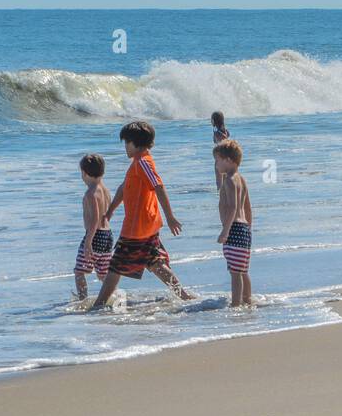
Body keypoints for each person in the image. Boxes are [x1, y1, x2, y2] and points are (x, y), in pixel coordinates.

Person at [90, 121, 191, 309]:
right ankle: (183, 296)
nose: (125, 148)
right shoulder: (136, 163)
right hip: (146, 226)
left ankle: (98, 305)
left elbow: (158, 186)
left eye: (126, 143)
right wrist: (111, 210)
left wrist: (170, 216)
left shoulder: (143, 162)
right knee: (155, 263)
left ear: (135, 143)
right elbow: (123, 188)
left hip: (137, 228)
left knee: (116, 266)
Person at [214, 138, 253, 307]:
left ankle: (236, 305)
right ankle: (248, 300)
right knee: (243, 271)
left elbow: (233, 207)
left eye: (217, 160)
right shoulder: (241, 179)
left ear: (228, 160)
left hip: (234, 229)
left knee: (235, 272)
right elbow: (248, 208)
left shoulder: (229, 180)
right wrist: (249, 228)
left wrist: (225, 231)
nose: (216, 165)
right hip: (244, 229)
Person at [73, 154, 113, 300]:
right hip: (107, 235)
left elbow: (95, 219)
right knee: (103, 273)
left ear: (84, 173)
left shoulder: (90, 193)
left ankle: (82, 299)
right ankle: (110, 296)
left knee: (79, 271)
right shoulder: (106, 190)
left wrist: (88, 241)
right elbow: (107, 214)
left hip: (94, 235)